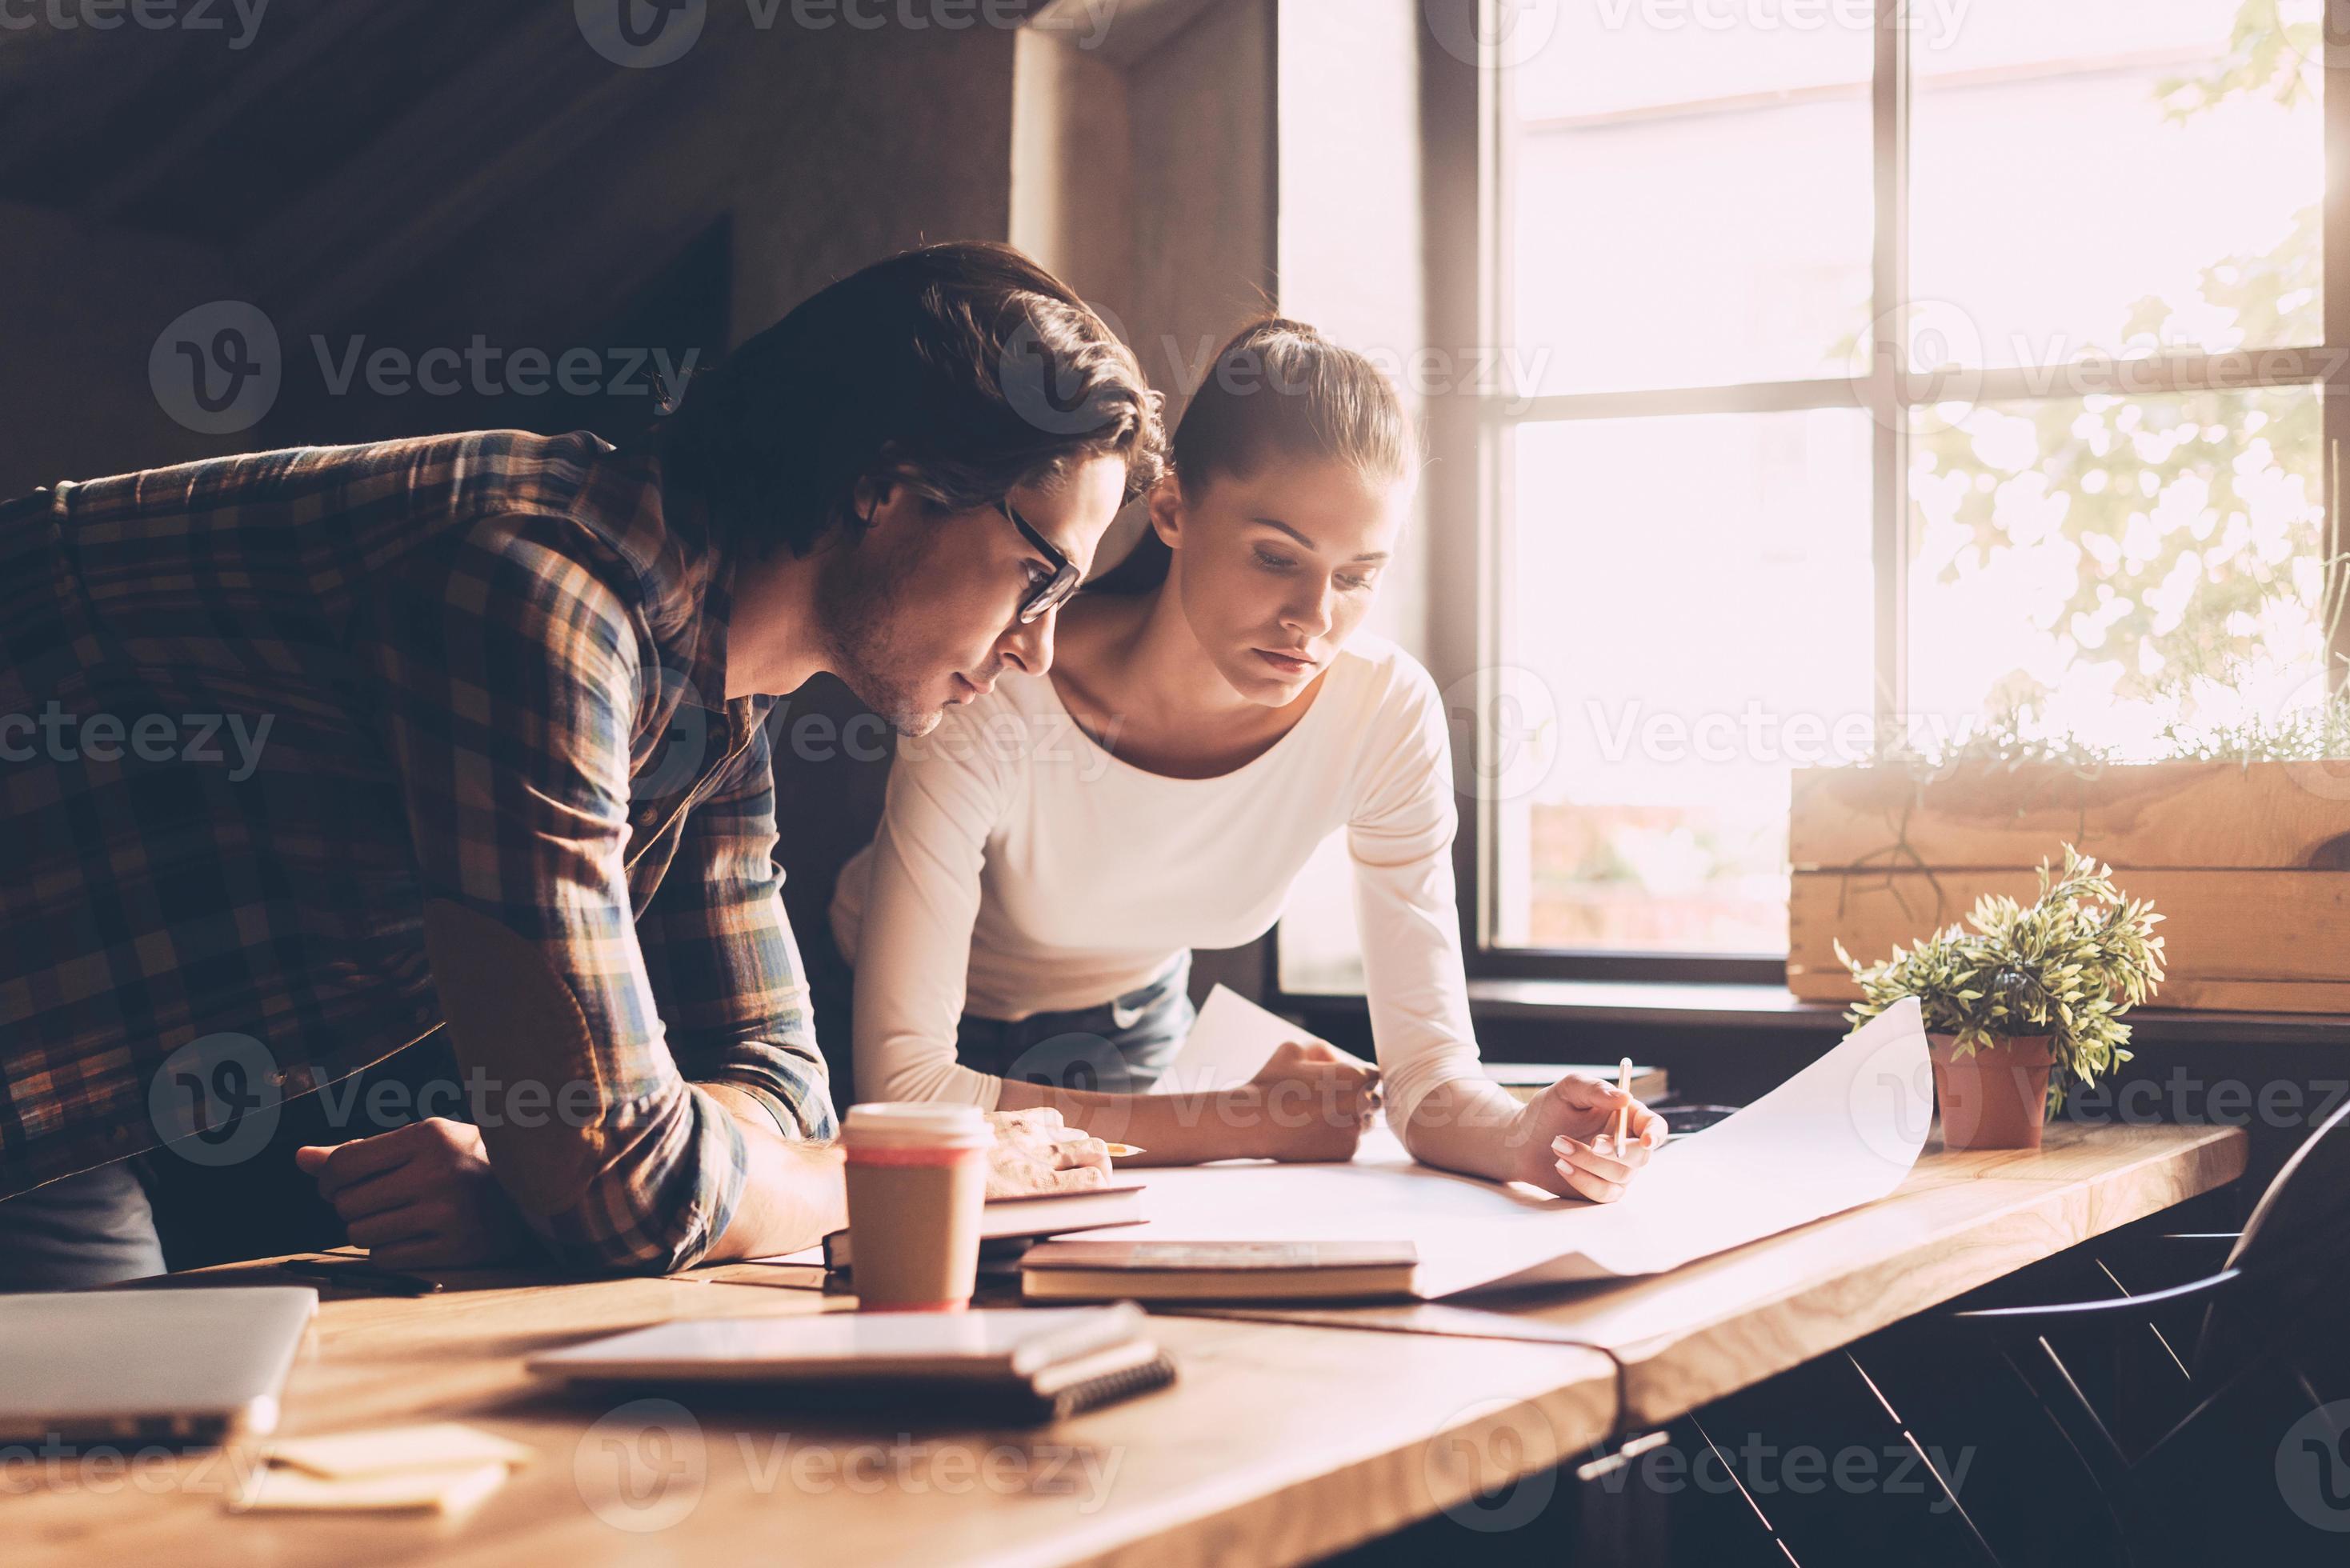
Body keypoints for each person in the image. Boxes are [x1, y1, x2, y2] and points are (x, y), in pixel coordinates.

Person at [0, 242, 1163, 1288]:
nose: (1041, 647)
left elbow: (771, 1078)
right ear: (888, 486)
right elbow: (625, 1185)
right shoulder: (539, 588)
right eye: (1040, 576)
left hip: (60, 1109)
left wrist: (541, 1192)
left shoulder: (715, 685)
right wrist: (936, 1172)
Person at [831, 319, 1667, 1198]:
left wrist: (1524, 1133)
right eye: (1277, 558)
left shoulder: (1384, 712)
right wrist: (1244, 1119)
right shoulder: (996, 683)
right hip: (895, 1022)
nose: (1312, 618)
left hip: (1131, 1034)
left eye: (1354, 577)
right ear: (1173, 509)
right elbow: (911, 1093)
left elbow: (1428, 1077)